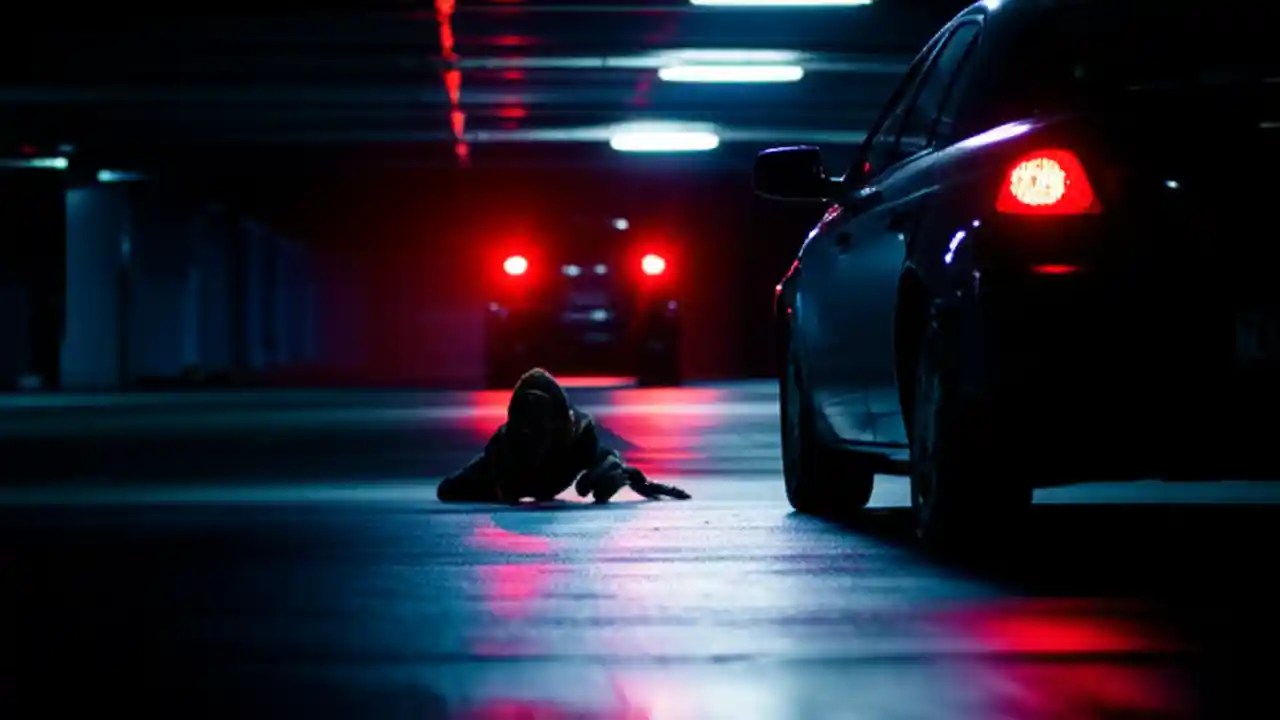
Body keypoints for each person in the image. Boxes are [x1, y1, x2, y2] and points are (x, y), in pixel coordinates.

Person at [438, 368, 692, 504]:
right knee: (452, 490)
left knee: (603, 474)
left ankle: (607, 469)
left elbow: (611, 467)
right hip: (519, 472)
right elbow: (454, 489)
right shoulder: (503, 445)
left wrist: (642, 484)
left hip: (560, 464)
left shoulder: (580, 434)